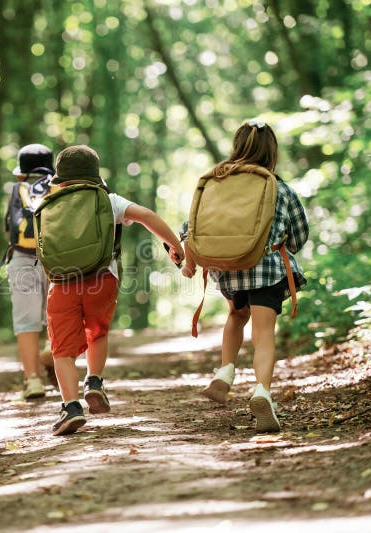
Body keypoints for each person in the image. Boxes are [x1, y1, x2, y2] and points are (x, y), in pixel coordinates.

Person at [46, 145, 185, 436]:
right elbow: (146, 215)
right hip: (102, 278)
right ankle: (94, 380)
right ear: (95, 174)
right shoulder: (108, 200)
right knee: (97, 333)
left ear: (60, 178)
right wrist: (174, 244)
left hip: (61, 282)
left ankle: (71, 407)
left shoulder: (48, 202)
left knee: (62, 350)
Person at [182, 120, 309, 433]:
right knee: (263, 333)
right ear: (272, 152)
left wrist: (190, 259)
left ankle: (225, 370)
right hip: (266, 269)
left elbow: (190, 229)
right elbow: (298, 237)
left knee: (236, 316)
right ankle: (262, 391)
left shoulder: (216, 183)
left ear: (237, 146)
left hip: (229, 270)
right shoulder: (279, 188)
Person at [3, 144, 57, 399]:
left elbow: (9, 229)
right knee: (57, 313)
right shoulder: (59, 187)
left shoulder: (19, 189)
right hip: (56, 257)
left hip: (23, 258)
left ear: (21, 173)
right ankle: (52, 351)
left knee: (26, 321)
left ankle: (33, 380)